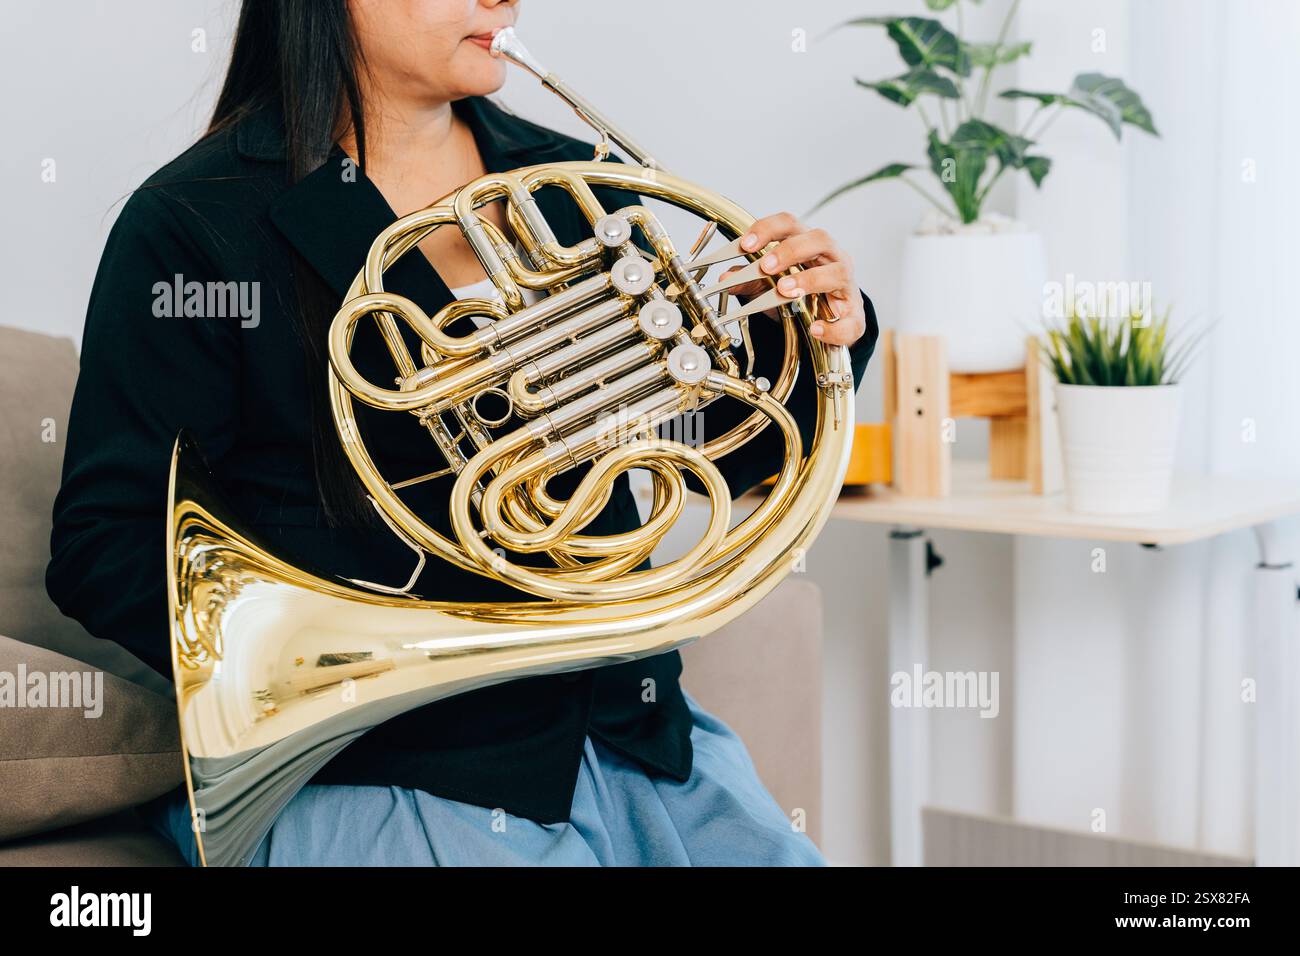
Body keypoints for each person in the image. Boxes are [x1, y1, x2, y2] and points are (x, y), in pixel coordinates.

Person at [46, 0, 878, 866]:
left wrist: (807, 331)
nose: (501, 0)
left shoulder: (567, 179)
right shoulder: (195, 220)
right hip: (385, 763)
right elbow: (105, 543)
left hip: (628, 737)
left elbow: (709, 454)